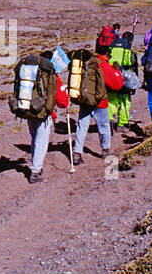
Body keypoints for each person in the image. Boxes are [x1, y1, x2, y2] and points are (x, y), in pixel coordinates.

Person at [74, 30, 124, 163]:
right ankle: (106, 150)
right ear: (106, 54)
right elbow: (117, 84)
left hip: (85, 99)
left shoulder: (88, 62)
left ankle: (77, 152)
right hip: (99, 101)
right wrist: (117, 72)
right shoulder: (102, 65)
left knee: (82, 126)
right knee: (104, 126)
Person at [27, 53, 69, 184]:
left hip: (29, 111)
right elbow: (62, 100)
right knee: (41, 142)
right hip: (44, 114)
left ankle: (36, 165)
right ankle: (35, 171)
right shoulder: (52, 77)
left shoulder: (31, 74)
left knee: (35, 139)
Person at [106, 28, 138, 132]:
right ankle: (122, 125)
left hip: (111, 78)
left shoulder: (112, 48)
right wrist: (134, 86)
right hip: (124, 81)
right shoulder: (130, 53)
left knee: (111, 101)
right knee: (125, 103)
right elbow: (134, 69)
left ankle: (110, 119)